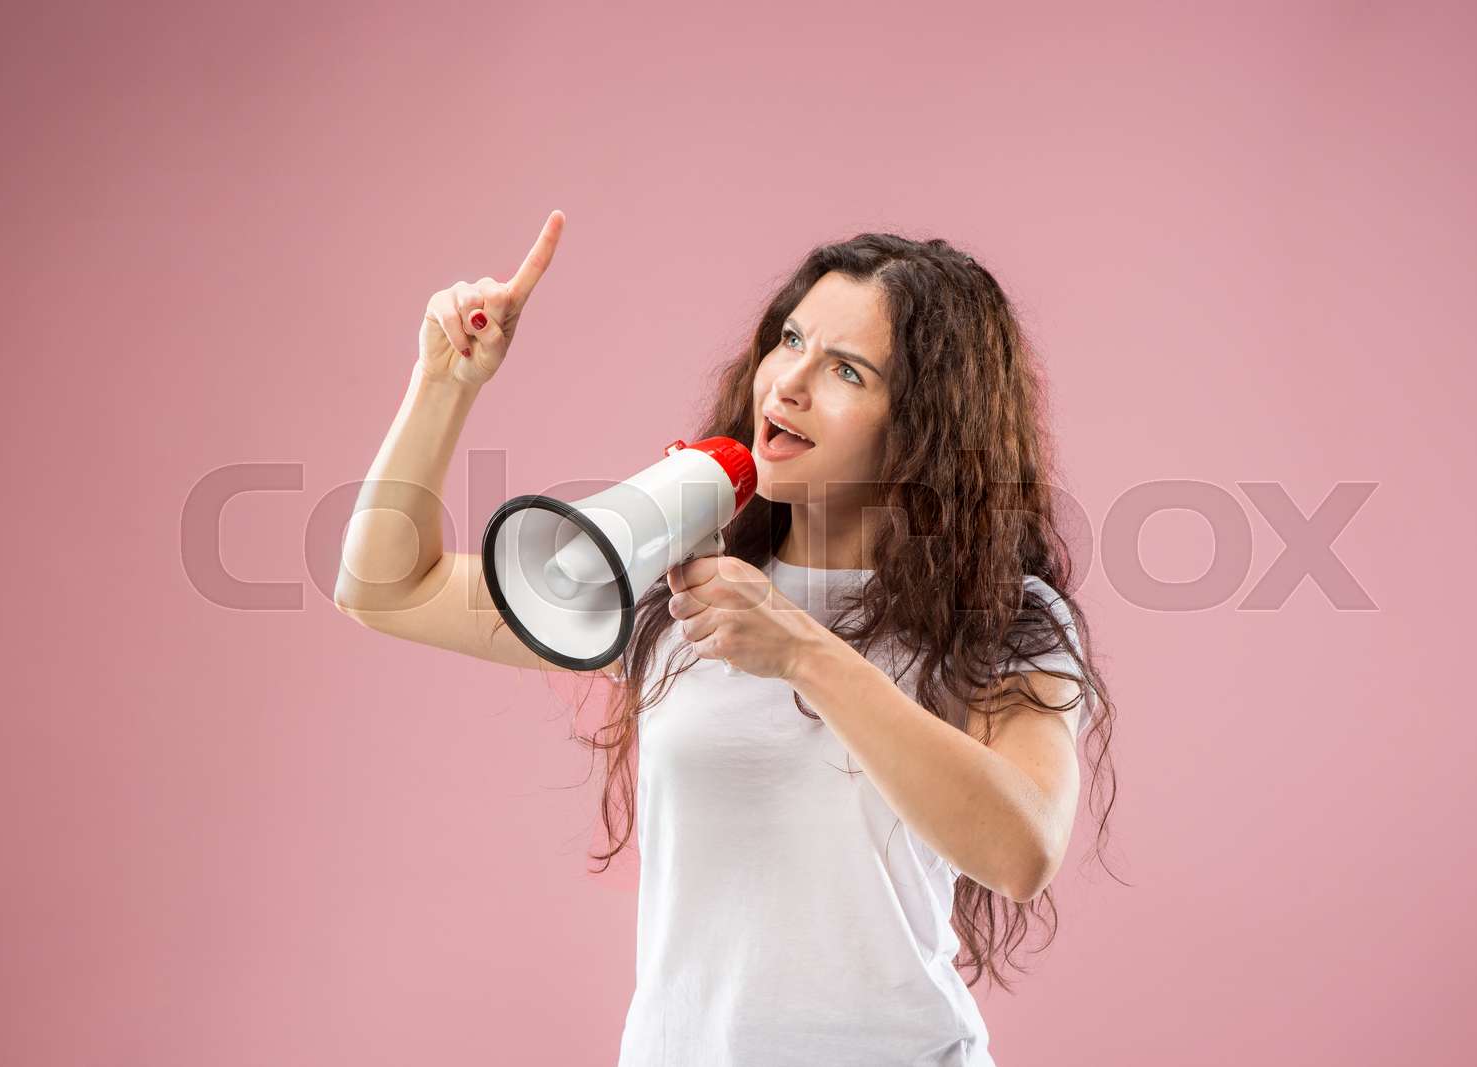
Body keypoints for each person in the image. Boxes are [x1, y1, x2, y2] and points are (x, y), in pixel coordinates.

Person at [335, 210, 1119, 1066]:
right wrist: (443, 382)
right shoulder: (670, 572)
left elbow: (1020, 849)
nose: (788, 382)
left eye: (846, 370)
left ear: (924, 425)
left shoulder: (1001, 617)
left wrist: (803, 652)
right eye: (791, 340)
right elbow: (386, 587)